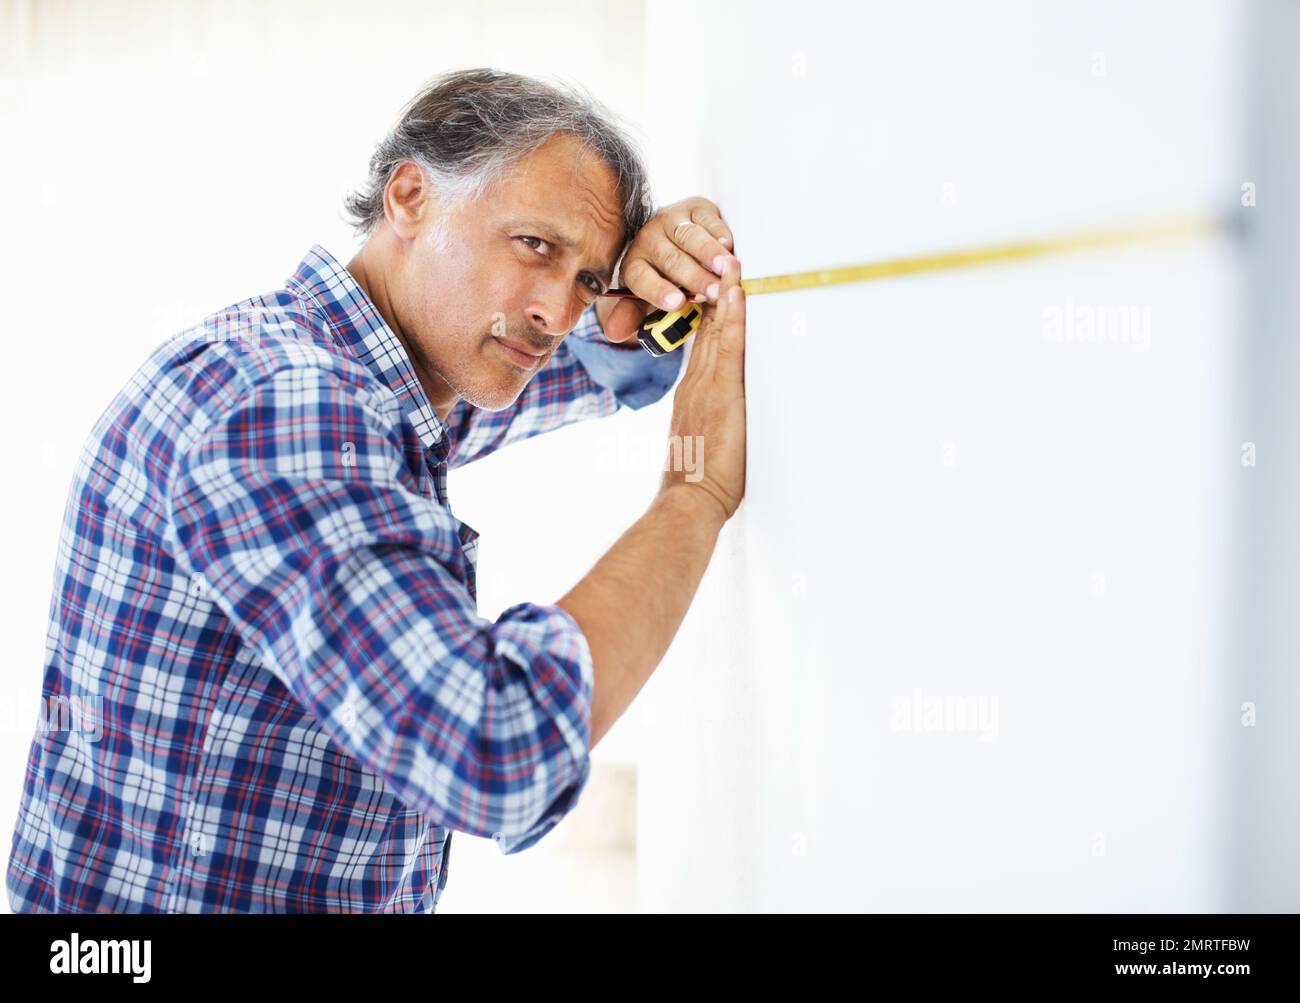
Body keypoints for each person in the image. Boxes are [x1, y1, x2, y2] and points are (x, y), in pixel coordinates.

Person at [6, 67, 747, 913]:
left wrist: (645, 302)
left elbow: (586, 360)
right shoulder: (287, 402)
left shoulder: (361, 379)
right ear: (408, 197)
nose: (556, 311)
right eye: (535, 246)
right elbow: (494, 745)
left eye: (586, 279)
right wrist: (695, 492)